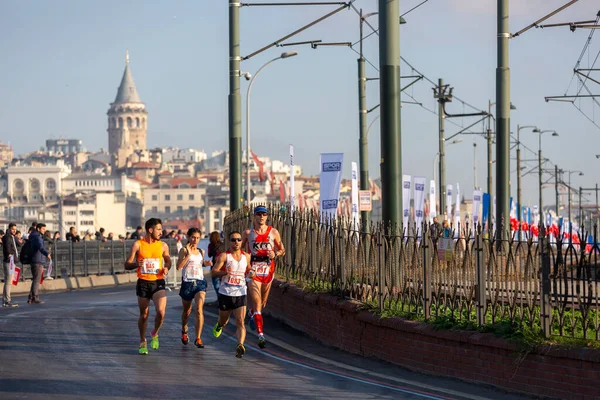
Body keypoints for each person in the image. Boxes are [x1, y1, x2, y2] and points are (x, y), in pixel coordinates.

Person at [124, 218, 171, 355]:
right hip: (143, 282)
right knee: (144, 315)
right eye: (158, 229)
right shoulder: (138, 245)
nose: (161, 232)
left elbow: (167, 260)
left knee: (161, 312)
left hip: (158, 282)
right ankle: (142, 340)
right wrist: (136, 264)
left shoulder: (163, 246)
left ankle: (154, 333)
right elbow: (127, 264)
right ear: (150, 230)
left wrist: (167, 267)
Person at [242, 205, 285, 349]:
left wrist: (276, 254)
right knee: (256, 300)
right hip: (253, 270)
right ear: (254, 216)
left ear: (267, 216)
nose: (261, 217)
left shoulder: (273, 232)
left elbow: (282, 249)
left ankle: (251, 312)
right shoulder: (248, 233)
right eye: (259, 214)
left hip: (268, 270)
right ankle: (261, 335)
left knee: (263, 302)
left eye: (264, 214)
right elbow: (239, 249)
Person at [211, 230, 252, 358]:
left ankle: (240, 345)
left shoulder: (246, 256)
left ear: (241, 242)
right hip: (226, 293)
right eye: (233, 240)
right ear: (229, 242)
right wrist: (224, 273)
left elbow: (249, 269)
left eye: (239, 240)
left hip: (240, 292)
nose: (236, 242)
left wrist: (252, 273)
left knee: (240, 321)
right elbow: (214, 272)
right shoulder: (224, 256)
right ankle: (219, 325)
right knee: (224, 321)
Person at [176, 228, 212, 348]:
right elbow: (179, 266)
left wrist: (205, 264)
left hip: (200, 283)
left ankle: (198, 338)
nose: (195, 240)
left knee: (199, 309)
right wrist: (188, 256)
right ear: (188, 237)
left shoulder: (201, 251)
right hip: (187, 283)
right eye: (193, 237)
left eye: (197, 238)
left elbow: (198, 264)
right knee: (187, 311)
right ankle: (184, 330)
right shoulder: (184, 250)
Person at [28, 223, 51, 304]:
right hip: (37, 260)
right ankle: (35, 297)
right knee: (36, 281)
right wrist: (47, 253)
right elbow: (40, 247)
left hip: (36, 260)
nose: (44, 231)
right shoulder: (37, 237)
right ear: (38, 229)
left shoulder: (36, 236)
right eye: (43, 229)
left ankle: (31, 298)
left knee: (35, 279)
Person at [2, 223, 19, 307]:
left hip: (10, 261)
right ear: (9, 229)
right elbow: (7, 247)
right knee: (8, 282)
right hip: (9, 262)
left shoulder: (11, 237)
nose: (14, 231)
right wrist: (9, 253)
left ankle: (5, 300)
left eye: (15, 229)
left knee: (7, 282)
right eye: (13, 229)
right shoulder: (8, 237)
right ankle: (7, 301)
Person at [207, 231, 223, 298]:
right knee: (222, 282)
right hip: (222, 265)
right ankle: (222, 297)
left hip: (214, 265)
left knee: (215, 283)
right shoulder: (222, 244)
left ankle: (219, 297)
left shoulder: (210, 245)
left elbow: (209, 255)